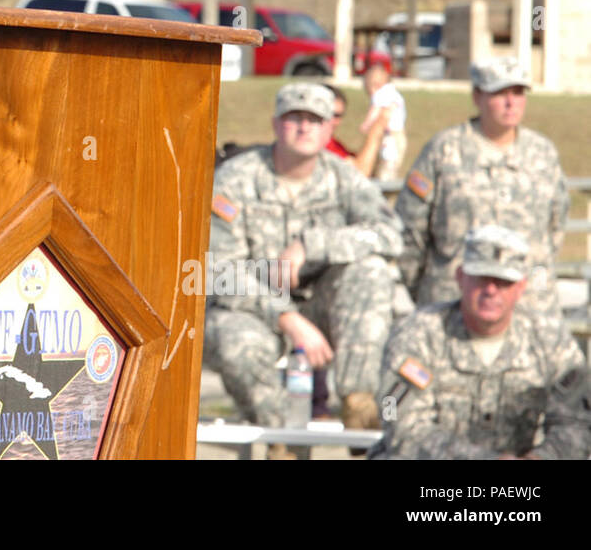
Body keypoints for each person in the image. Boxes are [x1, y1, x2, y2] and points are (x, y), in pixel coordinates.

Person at [202, 83, 404, 441]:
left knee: (370, 271)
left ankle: (359, 404)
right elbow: (221, 272)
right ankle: (280, 440)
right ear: (275, 124)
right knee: (239, 343)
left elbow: (389, 234)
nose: (304, 127)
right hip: (252, 313)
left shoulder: (343, 177)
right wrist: (287, 317)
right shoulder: (235, 178)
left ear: (329, 129)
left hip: (325, 308)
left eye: (315, 120)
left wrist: (312, 245)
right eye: (294, 117)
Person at [369, 225, 589, 459]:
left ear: (520, 287)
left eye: (503, 281)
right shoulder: (415, 334)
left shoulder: (551, 342)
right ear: (460, 277)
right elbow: (396, 420)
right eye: (481, 279)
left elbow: (578, 424)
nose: (491, 290)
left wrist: (541, 458)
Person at [395, 57, 568, 322]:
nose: (511, 103)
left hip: (530, 305)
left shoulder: (542, 153)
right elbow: (410, 228)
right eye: (499, 93)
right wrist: (425, 290)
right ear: (477, 96)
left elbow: (555, 226)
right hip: (453, 304)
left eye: (518, 93)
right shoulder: (444, 151)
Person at [358, 63, 407, 182]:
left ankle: (383, 184)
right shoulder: (394, 93)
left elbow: (375, 110)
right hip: (400, 136)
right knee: (393, 164)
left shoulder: (381, 93)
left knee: (385, 165)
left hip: (389, 137)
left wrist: (366, 124)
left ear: (375, 85)